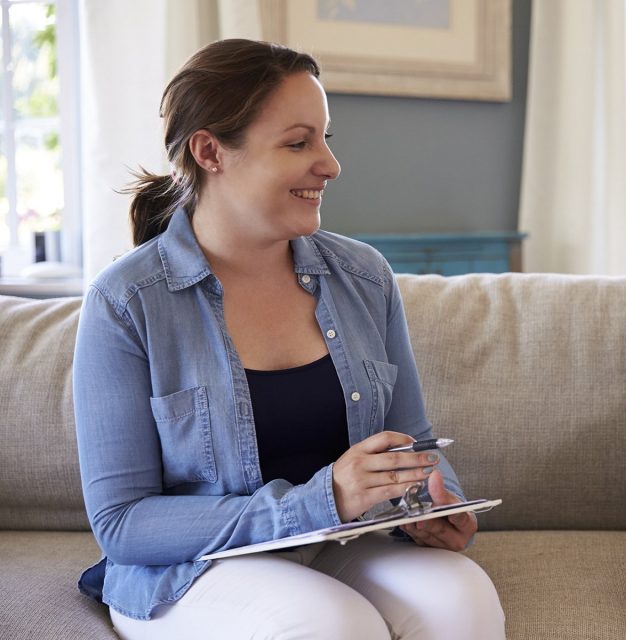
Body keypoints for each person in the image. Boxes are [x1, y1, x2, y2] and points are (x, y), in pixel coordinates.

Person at [73, 38, 504, 640]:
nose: (329, 164)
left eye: (327, 139)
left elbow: (415, 441)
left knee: (463, 598)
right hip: (188, 570)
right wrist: (318, 499)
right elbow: (123, 523)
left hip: (337, 543)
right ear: (210, 152)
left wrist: (431, 505)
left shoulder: (362, 277)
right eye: (299, 143)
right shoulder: (127, 303)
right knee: (330, 623)